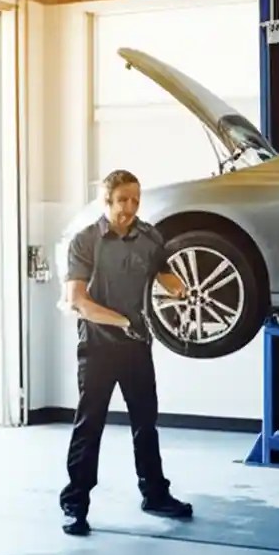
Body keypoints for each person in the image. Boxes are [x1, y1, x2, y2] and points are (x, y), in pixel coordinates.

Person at [58, 168, 194, 536]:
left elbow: (164, 272)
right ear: (106, 201)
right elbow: (77, 301)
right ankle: (75, 505)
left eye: (136, 200)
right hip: (97, 346)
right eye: (122, 200)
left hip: (137, 346)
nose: (130, 207)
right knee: (89, 426)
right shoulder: (85, 241)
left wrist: (181, 289)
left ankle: (155, 495)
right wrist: (122, 321)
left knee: (146, 424)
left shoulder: (150, 237)